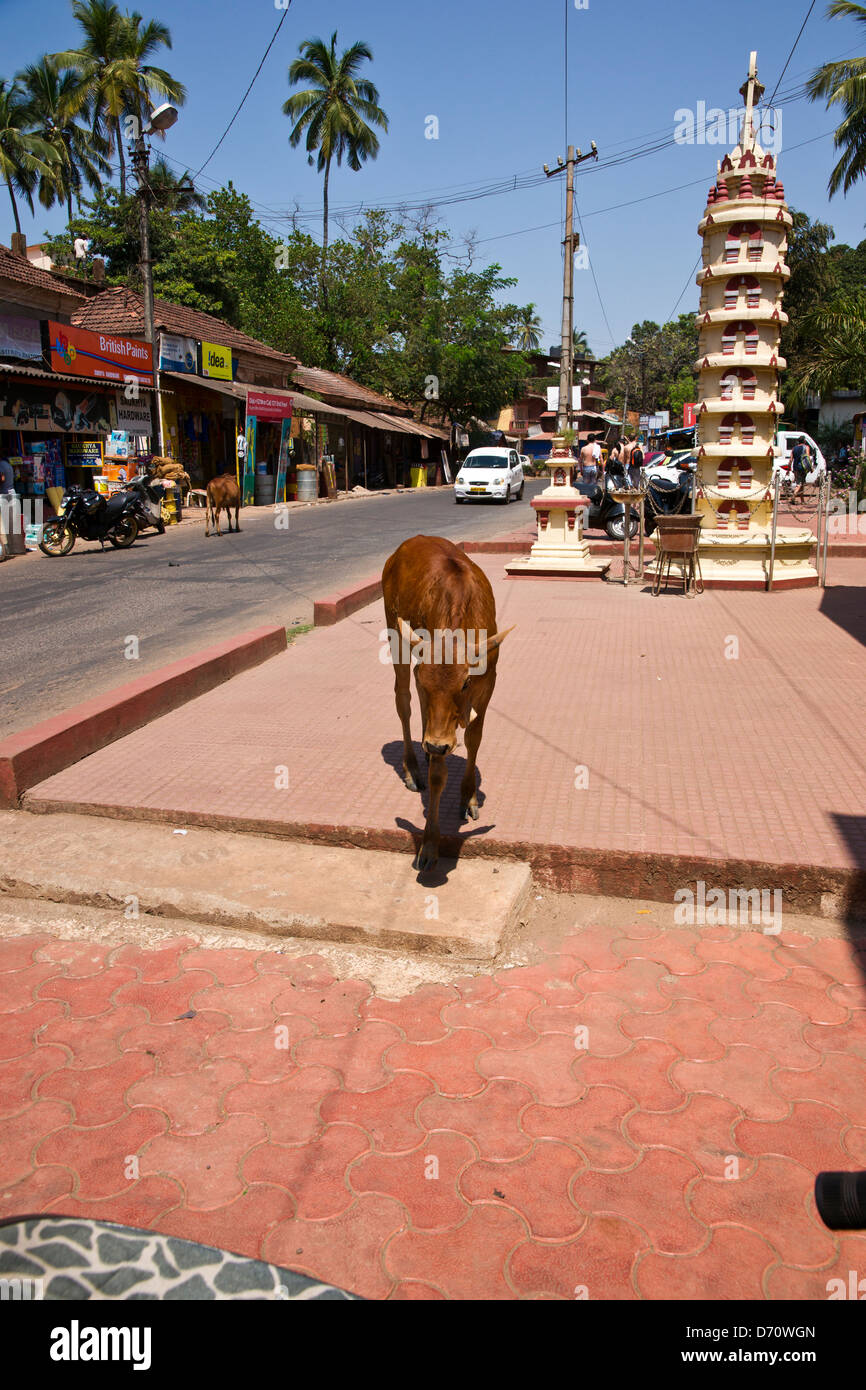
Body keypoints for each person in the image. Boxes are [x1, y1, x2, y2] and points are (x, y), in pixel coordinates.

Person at [791, 436, 809, 502]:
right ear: (804, 441)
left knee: (801, 483)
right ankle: (794, 495)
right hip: (803, 467)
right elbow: (807, 458)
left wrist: (788, 469)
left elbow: (791, 459)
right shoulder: (806, 447)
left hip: (795, 467)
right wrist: (810, 468)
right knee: (800, 483)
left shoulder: (794, 448)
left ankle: (802, 500)